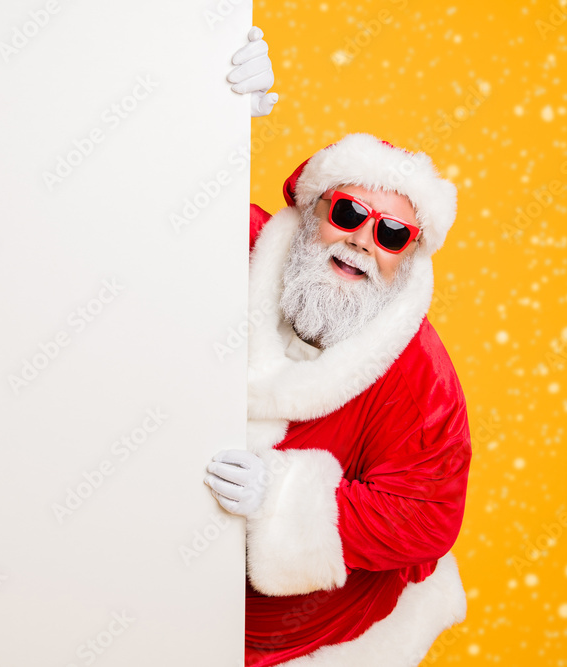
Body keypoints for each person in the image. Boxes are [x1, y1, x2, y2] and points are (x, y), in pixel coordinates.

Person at [208, 27, 471, 667]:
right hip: (176, 606)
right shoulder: (237, 245)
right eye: (348, 214)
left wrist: (282, 494)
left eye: (391, 233)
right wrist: (210, 111)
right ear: (311, 210)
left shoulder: (420, 372)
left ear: (408, 255)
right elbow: (160, 199)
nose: (361, 241)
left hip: (330, 638)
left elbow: (429, 515)